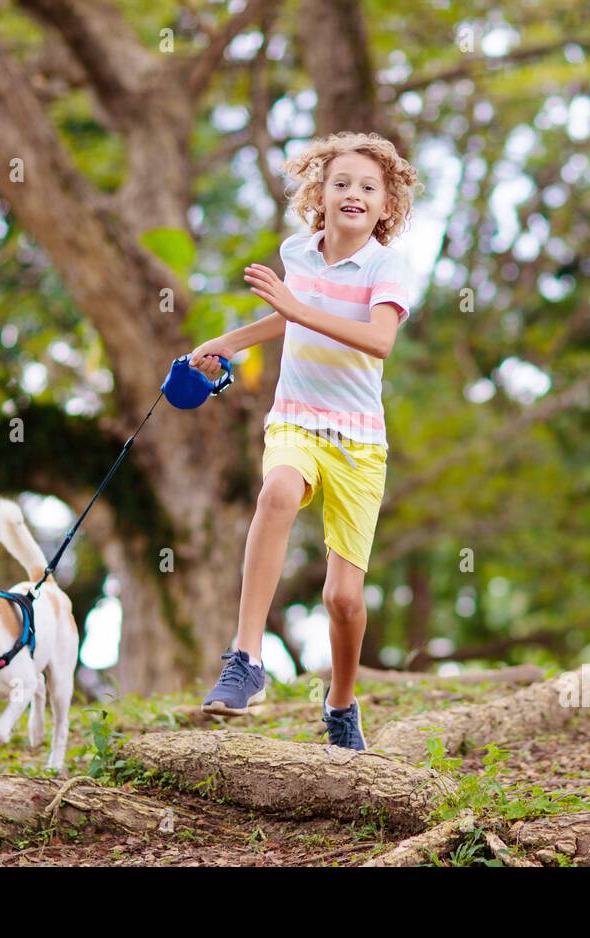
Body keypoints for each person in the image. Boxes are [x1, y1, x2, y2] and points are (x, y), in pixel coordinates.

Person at [187, 131, 419, 750]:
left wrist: (293, 307)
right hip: (296, 418)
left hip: (360, 442)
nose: (354, 194)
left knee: (343, 598)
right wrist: (232, 341)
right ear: (320, 193)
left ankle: (341, 703)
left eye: (369, 188)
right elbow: (290, 314)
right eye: (341, 182)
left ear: (386, 207)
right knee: (277, 494)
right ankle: (246, 658)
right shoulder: (299, 251)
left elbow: (378, 341)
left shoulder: (386, 266)